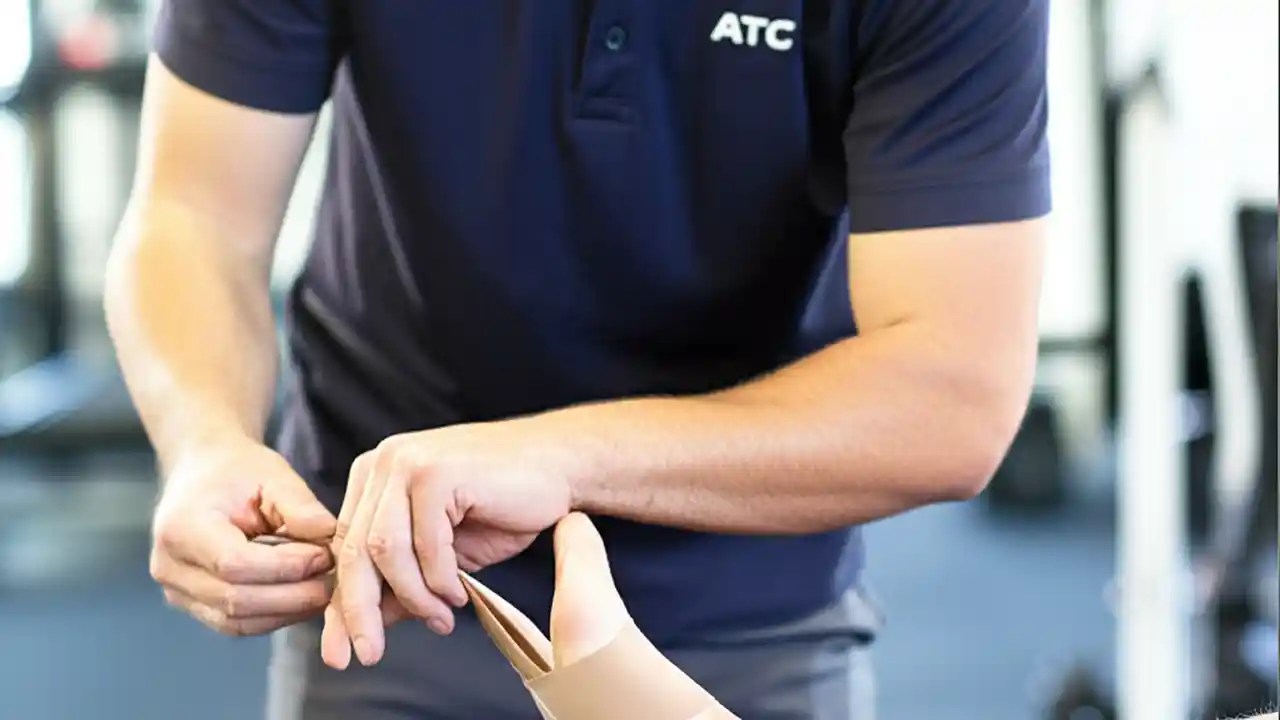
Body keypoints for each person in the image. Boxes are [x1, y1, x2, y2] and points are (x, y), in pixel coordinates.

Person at [105, 1, 1051, 718]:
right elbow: (196, 216)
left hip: (742, 598)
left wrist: (554, 461)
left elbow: (953, 392)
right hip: (379, 582)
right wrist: (204, 443)